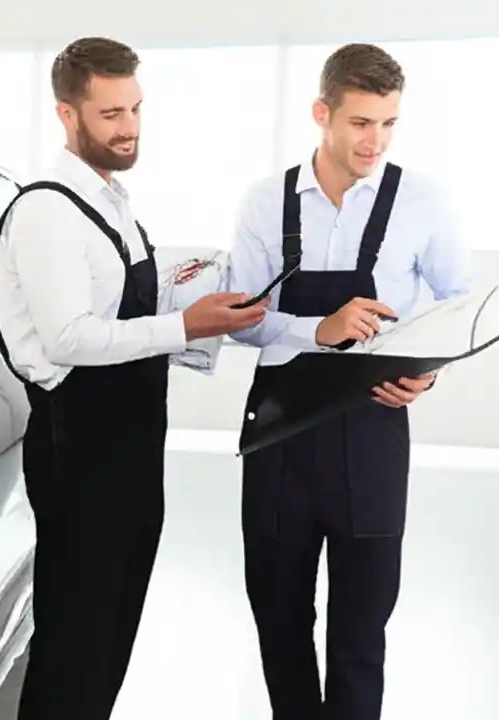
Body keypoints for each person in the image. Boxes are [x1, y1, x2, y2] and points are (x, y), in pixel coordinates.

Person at [0, 36, 268, 719]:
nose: (130, 127)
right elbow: (69, 337)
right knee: (75, 644)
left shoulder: (114, 203)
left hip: (132, 453)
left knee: (110, 639)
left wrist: (193, 303)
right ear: (67, 115)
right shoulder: (47, 210)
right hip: (79, 455)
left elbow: (120, 313)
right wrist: (184, 326)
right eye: (111, 113)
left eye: (136, 109)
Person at [227, 42, 472, 720]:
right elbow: (241, 320)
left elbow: (459, 303)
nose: (376, 141)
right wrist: (319, 330)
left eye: (389, 123)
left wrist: (427, 372)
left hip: (373, 434)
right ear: (322, 113)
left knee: (361, 633)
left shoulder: (424, 201)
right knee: (279, 619)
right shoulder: (265, 202)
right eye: (362, 122)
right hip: (279, 438)